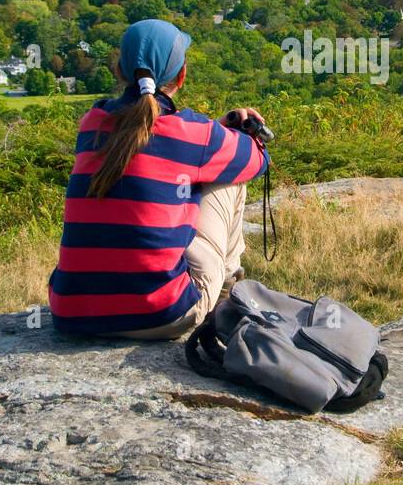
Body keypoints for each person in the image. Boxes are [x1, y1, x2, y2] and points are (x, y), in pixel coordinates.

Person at [48, 19, 269, 339]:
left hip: (72, 312)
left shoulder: (91, 124)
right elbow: (257, 160)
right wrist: (231, 133)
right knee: (231, 177)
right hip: (162, 315)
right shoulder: (194, 133)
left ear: (120, 71)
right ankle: (226, 300)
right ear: (182, 75)